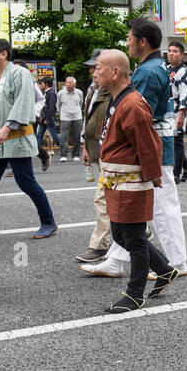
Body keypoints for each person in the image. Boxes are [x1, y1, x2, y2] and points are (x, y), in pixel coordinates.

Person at [82, 20, 187, 280]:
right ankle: (117, 260)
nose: (127, 41)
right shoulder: (152, 67)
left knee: (161, 207)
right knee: (133, 210)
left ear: (142, 41)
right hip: (157, 146)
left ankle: (176, 261)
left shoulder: (148, 72)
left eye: (130, 37)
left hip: (153, 149)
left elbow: (138, 117)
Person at [93, 50, 177, 312]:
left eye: (98, 68)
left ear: (115, 71)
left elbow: (149, 144)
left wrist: (153, 178)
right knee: (121, 234)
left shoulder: (132, 103)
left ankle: (134, 294)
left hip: (131, 182)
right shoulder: (120, 99)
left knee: (134, 238)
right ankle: (163, 270)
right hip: (118, 181)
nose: (94, 72)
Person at [0, 39, 58, 242]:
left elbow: (23, 102)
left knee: (26, 182)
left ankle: (48, 221)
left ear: (3, 54)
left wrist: (7, 128)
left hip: (15, 137)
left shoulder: (20, 73)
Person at [76, 60, 113, 265]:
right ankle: (141, 231)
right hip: (95, 148)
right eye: (91, 68)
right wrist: (84, 145)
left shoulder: (113, 93)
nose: (93, 72)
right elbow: (87, 121)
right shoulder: (92, 90)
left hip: (109, 151)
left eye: (97, 68)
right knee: (109, 198)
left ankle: (100, 246)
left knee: (103, 199)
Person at [166, 42, 187, 184]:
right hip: (167, 111)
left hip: (178, 111)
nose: (171, 53)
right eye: (169, 51)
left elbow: (186, 94)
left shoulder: (185, 72)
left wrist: (182, 115)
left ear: (182, 55)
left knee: (177, 142)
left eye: (175, 51)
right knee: (170, 141)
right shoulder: (166, 69)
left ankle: (176, 173)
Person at [55, 76, 83, 161]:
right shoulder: (60, 93)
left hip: (77, 116)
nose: (68, 84)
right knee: (64, 137)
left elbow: (81, 103)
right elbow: (58, 105)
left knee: (77, 136)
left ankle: (76, 155)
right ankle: (63, 155)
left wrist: (77, 111)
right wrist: (61, 113)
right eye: (66, 82)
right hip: (65, 117)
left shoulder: (79, 92)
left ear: (74, 84)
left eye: (70, 82)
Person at [36, 78, 59, 166]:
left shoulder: (51, 93)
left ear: (46, 84)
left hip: (48, 119)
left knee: (54, 136)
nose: (40, 85)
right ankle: (37, 152)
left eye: (41, 83)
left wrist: (48, 119)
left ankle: (63, 150)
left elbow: (51, 107)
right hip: (43, 118)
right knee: (39, 135)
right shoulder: (45, 93)